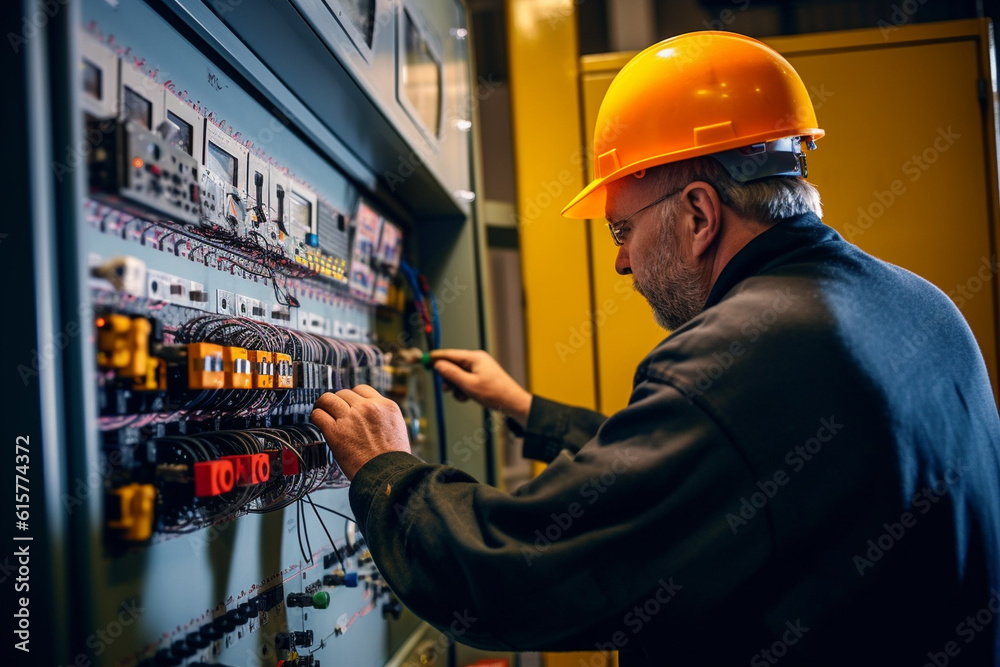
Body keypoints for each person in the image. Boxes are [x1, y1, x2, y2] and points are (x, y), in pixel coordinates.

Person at [310, 32, 1000, 666]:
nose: (621, 264)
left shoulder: (744, 353)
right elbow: (708, 467)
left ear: (699, 214)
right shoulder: (921, 305)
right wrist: (525, 406)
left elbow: (511, 579)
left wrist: (386, 471)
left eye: (620, 232)